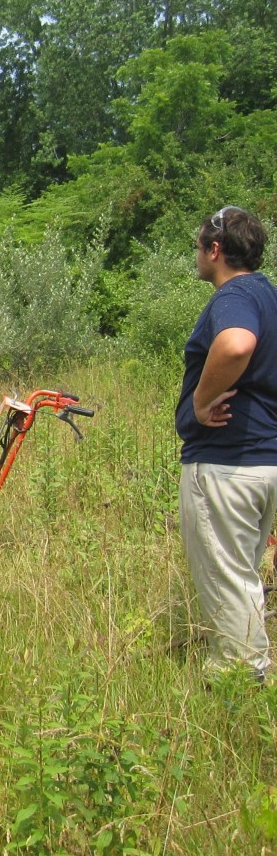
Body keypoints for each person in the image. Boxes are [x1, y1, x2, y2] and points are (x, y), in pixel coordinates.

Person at [176, 205, 277, 685]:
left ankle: (239, 684)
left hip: (226, 465)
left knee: (228, 581)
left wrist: (201, 401)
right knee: (243, 577)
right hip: (263, 462)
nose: (196, 255)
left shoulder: (234, 296)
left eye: (199, 246)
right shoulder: (268, 295)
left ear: (216, 250)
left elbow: (236, 344)